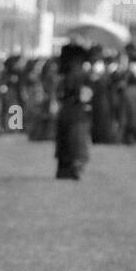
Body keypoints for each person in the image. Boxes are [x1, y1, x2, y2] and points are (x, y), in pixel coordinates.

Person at [54, 41, 92, 180]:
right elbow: (85, 96)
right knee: (77, 141)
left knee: (65, 140)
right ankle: (75, 167)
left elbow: (59, 94)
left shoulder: (63, 74)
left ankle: (64, 169)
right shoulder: (81, 74)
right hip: (77, 112)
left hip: (65, 111)